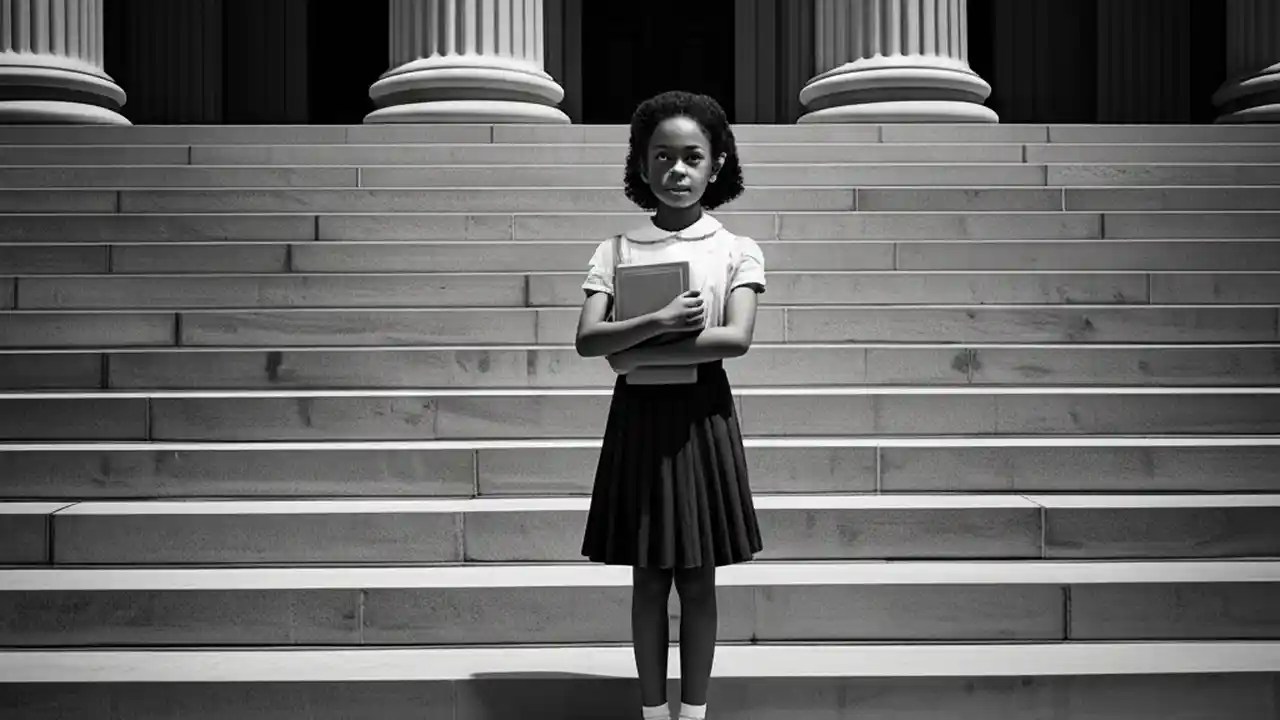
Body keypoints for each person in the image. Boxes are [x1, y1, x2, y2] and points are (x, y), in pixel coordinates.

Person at [575, 90, 766, 720]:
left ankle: (696, 714)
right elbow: (587, 341)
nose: (677, 171)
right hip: (640, 421)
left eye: (692, 157)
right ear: (641, 164)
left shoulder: (736, 248)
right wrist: (661, 321)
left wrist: (634, 347)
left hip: (701, 418)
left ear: (717, 164)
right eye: (662, 157)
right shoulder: (615, 249)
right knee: (649, 577)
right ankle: (654, 714)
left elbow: (734, 339)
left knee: (699, 577)